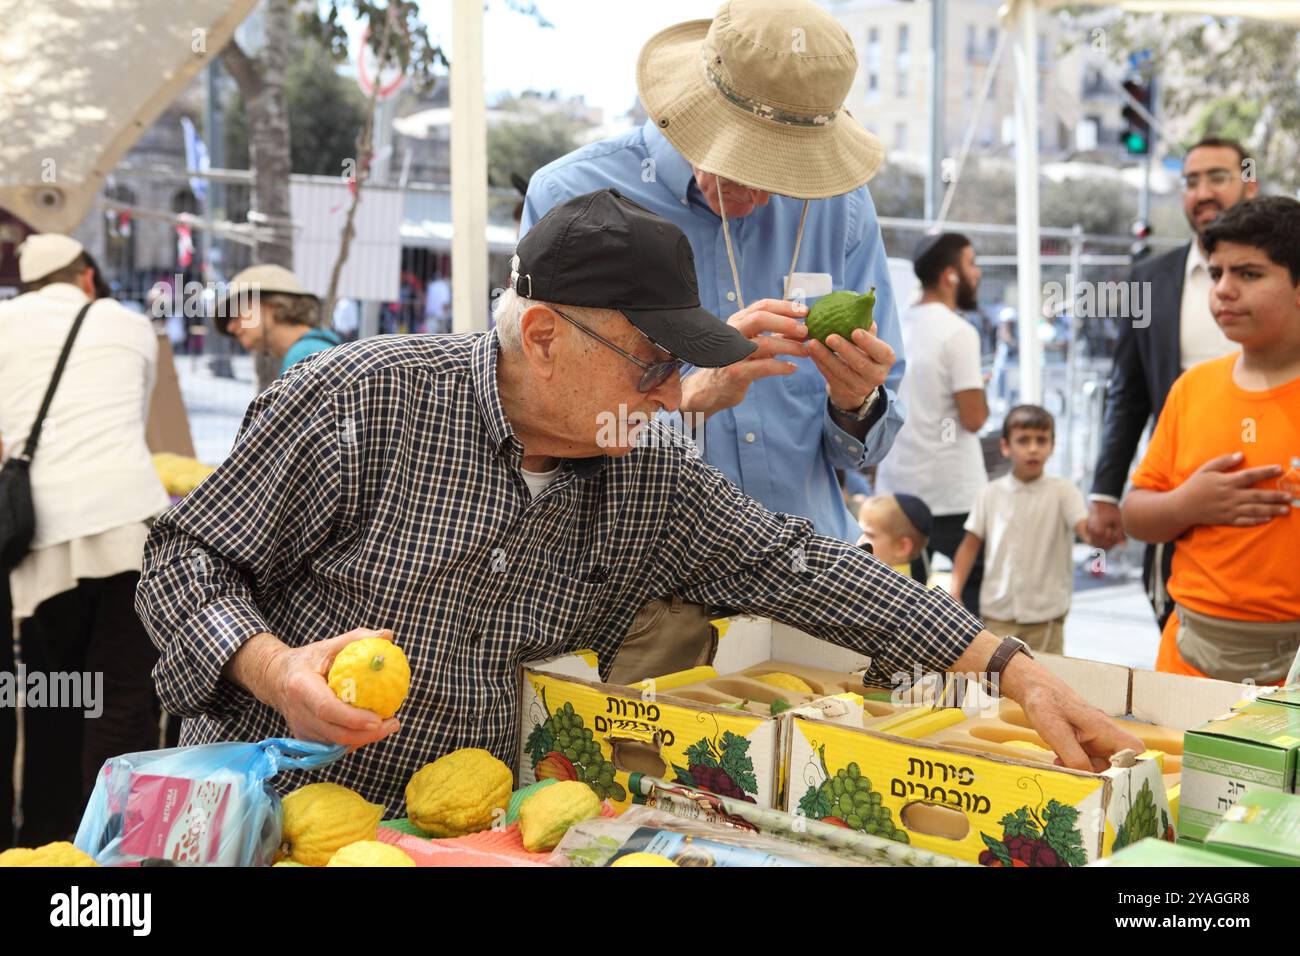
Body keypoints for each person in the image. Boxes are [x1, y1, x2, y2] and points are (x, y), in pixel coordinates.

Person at [135, 189, 1143, 816]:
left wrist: (1006, 665)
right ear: (539, 334)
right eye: (652, 364)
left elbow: (806, 565)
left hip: (466, 828)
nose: (673, 395)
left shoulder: (644, 473)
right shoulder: (364, 398)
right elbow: (183, 559)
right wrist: (273, 667)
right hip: (263, 808)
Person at [520, 0, 905, 678]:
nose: (761, 194)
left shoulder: (842, 208)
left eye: (787, 173)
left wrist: (858, 403)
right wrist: (686, 396)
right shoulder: (575, 198)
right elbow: (533, 422)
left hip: (808, 582)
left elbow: (870, 438)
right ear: (693, 111)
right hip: (640, 606)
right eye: (744, 163)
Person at [0, 234, 171, 845]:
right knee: (121, 698)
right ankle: (113, 848)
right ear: (87, 278)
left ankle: (46, 842)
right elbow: (130, 418)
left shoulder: (5, 323)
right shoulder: (127, 325)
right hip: (130, 526)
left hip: (44, 537)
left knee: (53, 697)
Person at [1121, 196, 1300, 683]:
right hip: (1187, 661)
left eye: (1249, 274)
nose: (1223, 290)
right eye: (1217, 273)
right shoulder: (1193, 388)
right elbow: (1136, 514)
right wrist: (1188, 505)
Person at [1087, 137, 1260, 630]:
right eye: (1191, 181)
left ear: (1250, 183)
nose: (1202, 192)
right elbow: (1128, 394)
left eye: (1218, 177)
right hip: (1179, 499)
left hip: (1275, 490)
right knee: (1178, 622)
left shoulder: (1288, 273)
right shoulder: (1148, 280)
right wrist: (1105, 492)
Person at [877, 234, 988, 615]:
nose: (978, 272)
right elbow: (974, 419)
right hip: (953, 494)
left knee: (903, 609)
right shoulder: (959, 332)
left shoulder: (895, 326)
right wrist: (979, 392)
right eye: (971, 263)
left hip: (897, 488)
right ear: (950, 276)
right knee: (973, 605)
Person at [950, 406, 1095, 655]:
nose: (1033, 448)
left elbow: (1085, 529)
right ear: (1006, 446)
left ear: (1052, 445)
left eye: (1041, 440)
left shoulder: (1064, 491)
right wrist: (954, 590)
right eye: (1023, 440)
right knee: (995, 685)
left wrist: (1104, 531)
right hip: (997, 614)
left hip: (1046, 617)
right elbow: (970, 545)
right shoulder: (989, 494)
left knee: (1045, 681)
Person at [219, 265, 340, 377]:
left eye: (238, 312)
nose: (230, 327)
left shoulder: (305, 355)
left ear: (273, 303)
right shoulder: (316, 348)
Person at [856, 493, 931, 583]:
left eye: (870, 535)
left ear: (902, 547)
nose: (860, 540)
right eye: (860, 531)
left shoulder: (895, 585)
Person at [424, 271, 451, 335]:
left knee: (429, 338)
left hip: (431, 316)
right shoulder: (443, 286)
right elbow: (445, 303)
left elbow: (427, 301)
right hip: (440, 317)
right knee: (442, 339)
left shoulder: (431, 286)